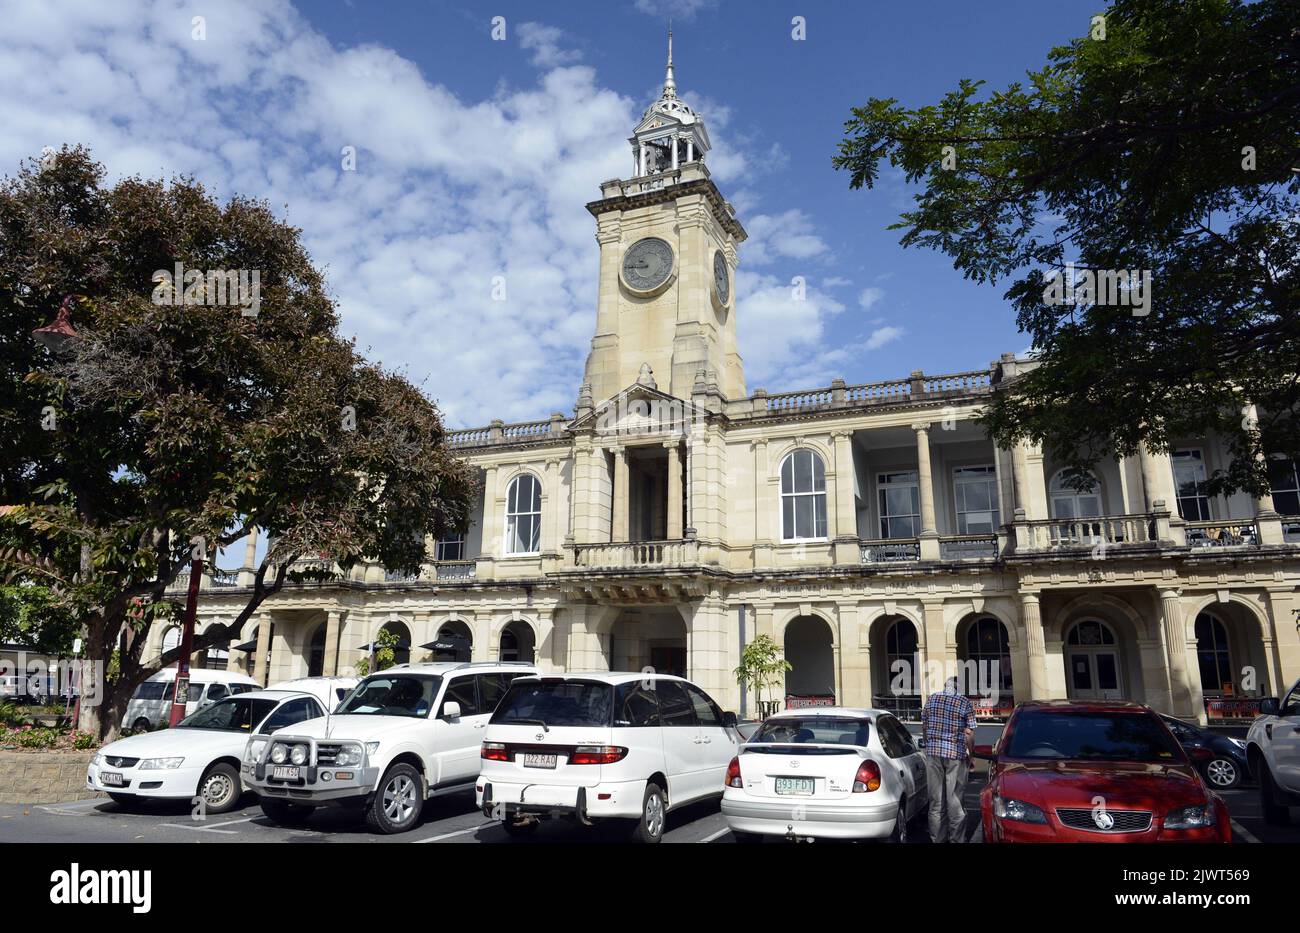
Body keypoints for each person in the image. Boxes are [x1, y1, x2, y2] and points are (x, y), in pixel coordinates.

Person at [921, 675, 976, 843]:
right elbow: (969, 733)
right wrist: (971, 756)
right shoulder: (964, 702)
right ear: (958, 688)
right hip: (955, 755)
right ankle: (956, 839)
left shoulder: (931, 699)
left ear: (945, 686)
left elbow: (924, 727)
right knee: (955, 800)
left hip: (933, 754)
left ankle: (937, 839)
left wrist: (929, 745)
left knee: (936, 801)